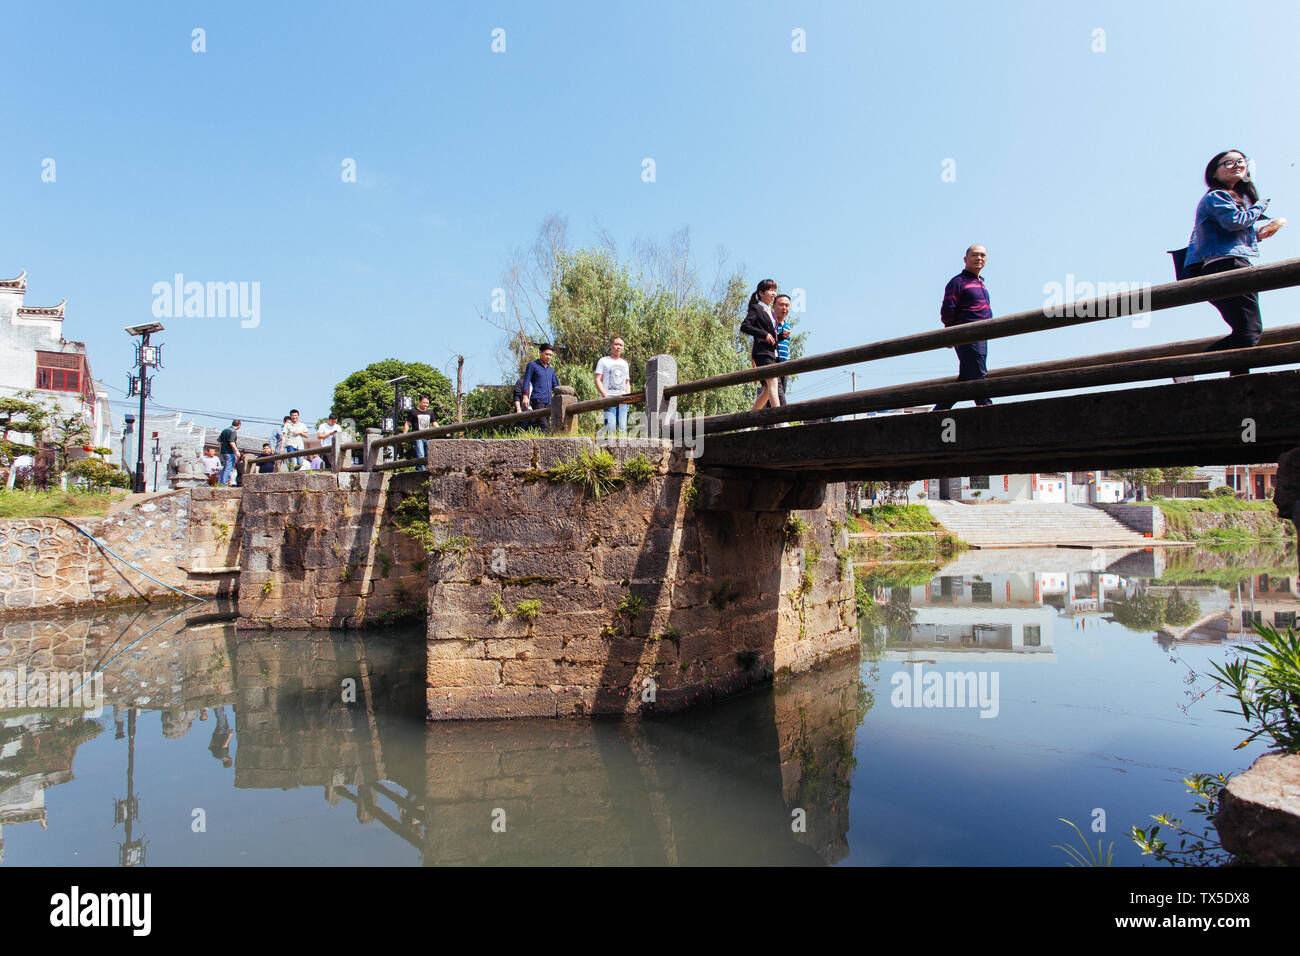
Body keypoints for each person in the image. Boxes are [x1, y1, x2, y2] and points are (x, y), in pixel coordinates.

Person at [1183, 150, 1286, 376]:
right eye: (1228, 162)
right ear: (1214, 172)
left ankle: (1194, 370)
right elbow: (1234, 222)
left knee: (1245, 330)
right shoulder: (1216, 196)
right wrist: (1260, 206)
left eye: (1240, 161)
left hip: (1229, 263)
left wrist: (1259, 235)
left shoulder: (1231, 197)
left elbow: (1228, 232)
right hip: (1226, 266)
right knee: (1249, 330)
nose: (1236, 165)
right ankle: (1199, 371)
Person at [932, 245, 993, 411]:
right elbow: (947, 310)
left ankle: (938, 412)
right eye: (974, 255)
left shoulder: (981, 283)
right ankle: (989, 411)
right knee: (979, 375)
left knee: (967, 378)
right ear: (965, 259)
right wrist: (951, 334)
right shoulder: (958, 282)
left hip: (982, 335)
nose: (979, 258)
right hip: (968, 335)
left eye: (982, 255)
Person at [740, 279, 781, 412]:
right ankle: (780, 419)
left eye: (775, 290)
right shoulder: (756, 308)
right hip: (762, 353)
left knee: (767, 390)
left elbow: (770, 338)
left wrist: (780, 337)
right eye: (771, 290)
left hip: (772, 353)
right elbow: (745, 326)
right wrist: (763, 334)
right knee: (773, 383)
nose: (774, 293)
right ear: (761, 293)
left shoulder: (770, 312)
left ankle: (747, 421)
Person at [595, 336, 632, 436]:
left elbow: (627, 382)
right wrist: (605, 395)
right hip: (609, 397)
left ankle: (622, 450)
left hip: (623, 399)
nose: (619, 347)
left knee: (622, 428)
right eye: (616, 344)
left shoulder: (624, 363)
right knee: (610, 427)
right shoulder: (603, 361)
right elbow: (598, 379)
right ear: (611, 346)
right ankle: (609, 450)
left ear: (623, 348)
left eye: (621, 345)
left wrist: (628, 396)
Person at [520, 343, 560, 430]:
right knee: (544, 426)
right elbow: (526, 381)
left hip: (549, 402)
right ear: (540, 353)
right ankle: (549, 441)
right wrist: (525, 396)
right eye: (546, 354)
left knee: (546, 425)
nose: (548, 357)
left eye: (550, 355)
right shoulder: (532, 365)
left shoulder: (551, 370)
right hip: (537, 400)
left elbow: (556, 386)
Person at [403, 394, 438, 470]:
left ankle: (422, 469)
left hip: (427, 437)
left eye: (427, 403)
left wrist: (442, 430)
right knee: (420, 454)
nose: (425, 404)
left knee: (428, 455)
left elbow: (434, 423)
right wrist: (404, 437)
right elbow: (407, 423)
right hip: (417, 436)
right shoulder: (413, 412)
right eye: (424, 402)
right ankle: (421, 471)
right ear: (419, 402)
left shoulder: (430, 412)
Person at [773, 294, 794, 406]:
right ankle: (783, 420)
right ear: (774, 306)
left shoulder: (787, 326)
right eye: (781, 305)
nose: (784, 308)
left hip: (785, 365)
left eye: (787, 305)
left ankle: (767, 423)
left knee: (776, 396)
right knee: (778, 396)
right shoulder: (771, 323)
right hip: (773, 363)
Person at [216, 420, 241, 485]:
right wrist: (236, 451)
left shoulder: (224, 430)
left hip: (223, 452)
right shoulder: (233, 431)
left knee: (224, 467)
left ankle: (220, 482)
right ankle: (225, 482)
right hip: (230, 452)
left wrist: (221, 449)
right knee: (229, 467)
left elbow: (219, 441)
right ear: (239, 425)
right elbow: (231, 442)